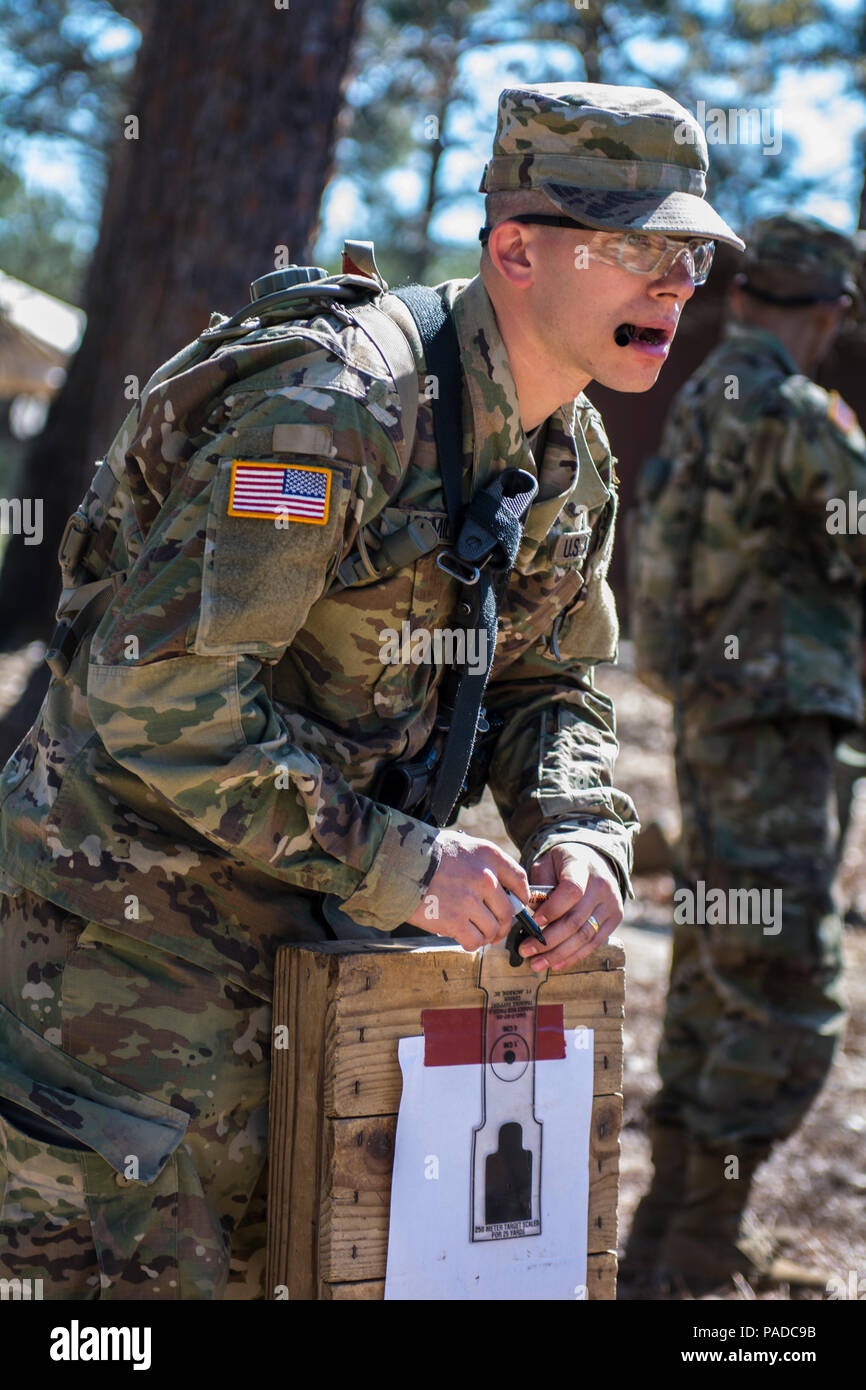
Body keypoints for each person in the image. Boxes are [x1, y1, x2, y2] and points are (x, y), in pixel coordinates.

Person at [0, 82, 742, 1299]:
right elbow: (155, 697)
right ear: (514, 249)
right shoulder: (330, 410)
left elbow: (547, 679)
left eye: (688, 260)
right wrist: (402, 862)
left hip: (312, 959)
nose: (670, 286)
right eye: (635, 250)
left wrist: (581, 834)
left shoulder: (568, 453)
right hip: (124, 982)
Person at [625, 213, 866, 1296]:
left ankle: (670, 1236)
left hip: (704, 726)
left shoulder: (694, 403)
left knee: (713, 971)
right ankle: (692, 1251)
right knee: (783, 984)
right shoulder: (790, 410)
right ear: (825, 315)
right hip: (772, 733)